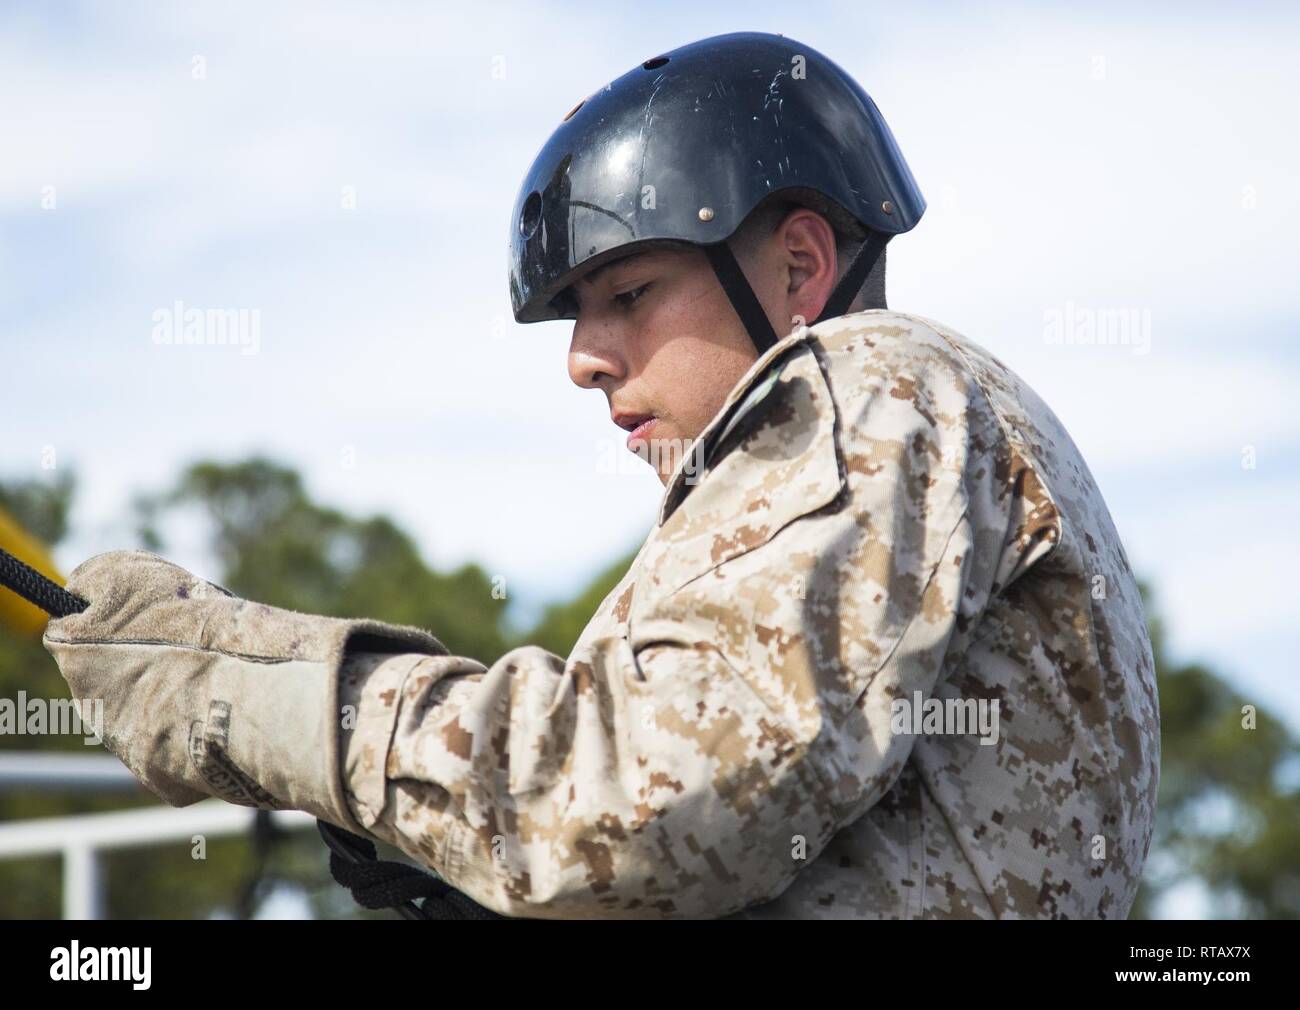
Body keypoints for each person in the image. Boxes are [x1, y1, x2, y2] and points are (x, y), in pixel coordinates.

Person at [44, 31, 1159, 919]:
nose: (583, 358)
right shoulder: (918, 436)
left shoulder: (873, 385)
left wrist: (250, 687)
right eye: (576, 315)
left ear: (801, 266)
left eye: (627, 294)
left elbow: (636, 796)